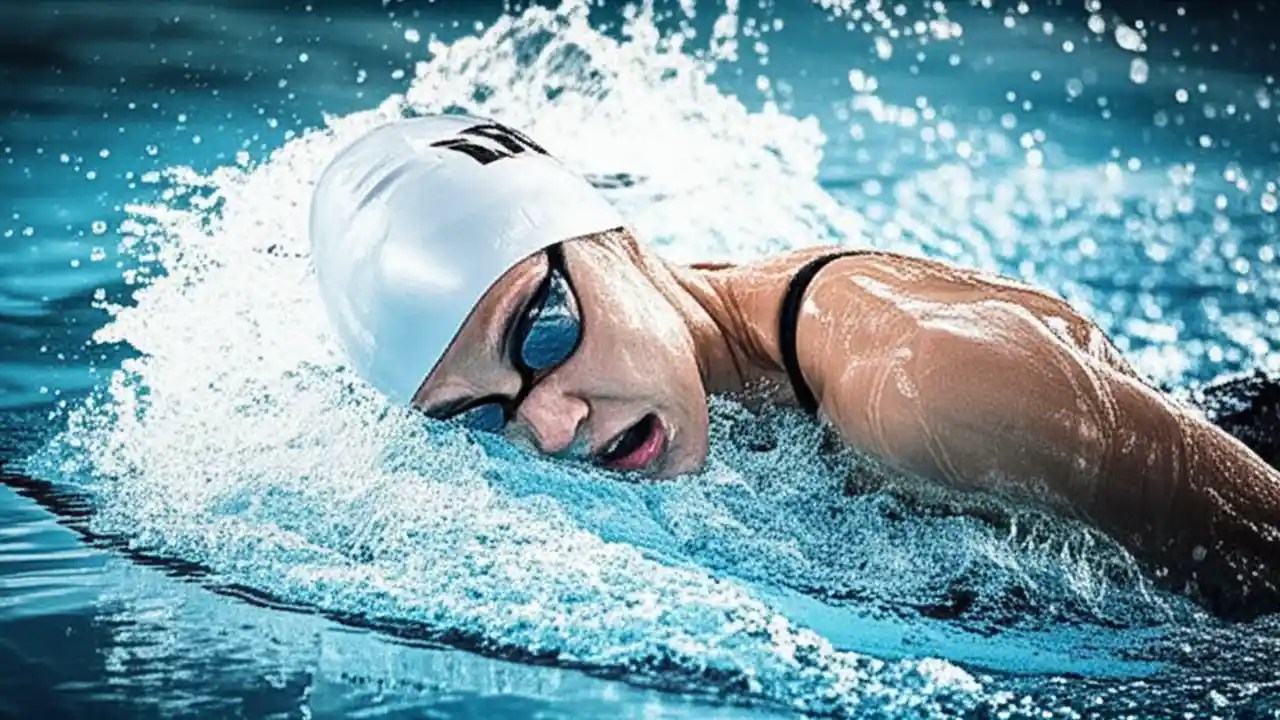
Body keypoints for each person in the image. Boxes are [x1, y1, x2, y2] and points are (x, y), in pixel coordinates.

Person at [309, 114, 1280, 618]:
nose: (552, 426)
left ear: (606, 234)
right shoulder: (688, 361)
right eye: (480, 410)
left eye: (544, 331)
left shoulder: (927, 387)